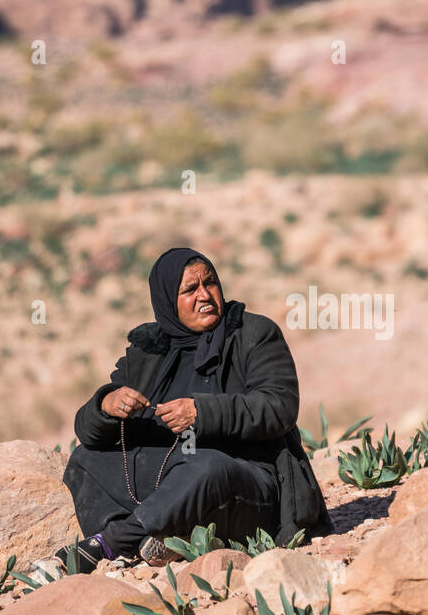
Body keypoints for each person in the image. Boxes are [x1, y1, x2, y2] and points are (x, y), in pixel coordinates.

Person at [56, 246, 329, 573]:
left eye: (209, 283)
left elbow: (279, 407)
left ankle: (112, 544)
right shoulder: (149, 349)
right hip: (172, 478)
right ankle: (153, 536)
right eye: (189, 289)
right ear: (167, 300)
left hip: (247, 487)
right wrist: (106, 405)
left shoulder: (253, 333)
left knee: (208, 466)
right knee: (85, 458)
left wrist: (202, 413)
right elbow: (86, 430)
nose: (205, 295)